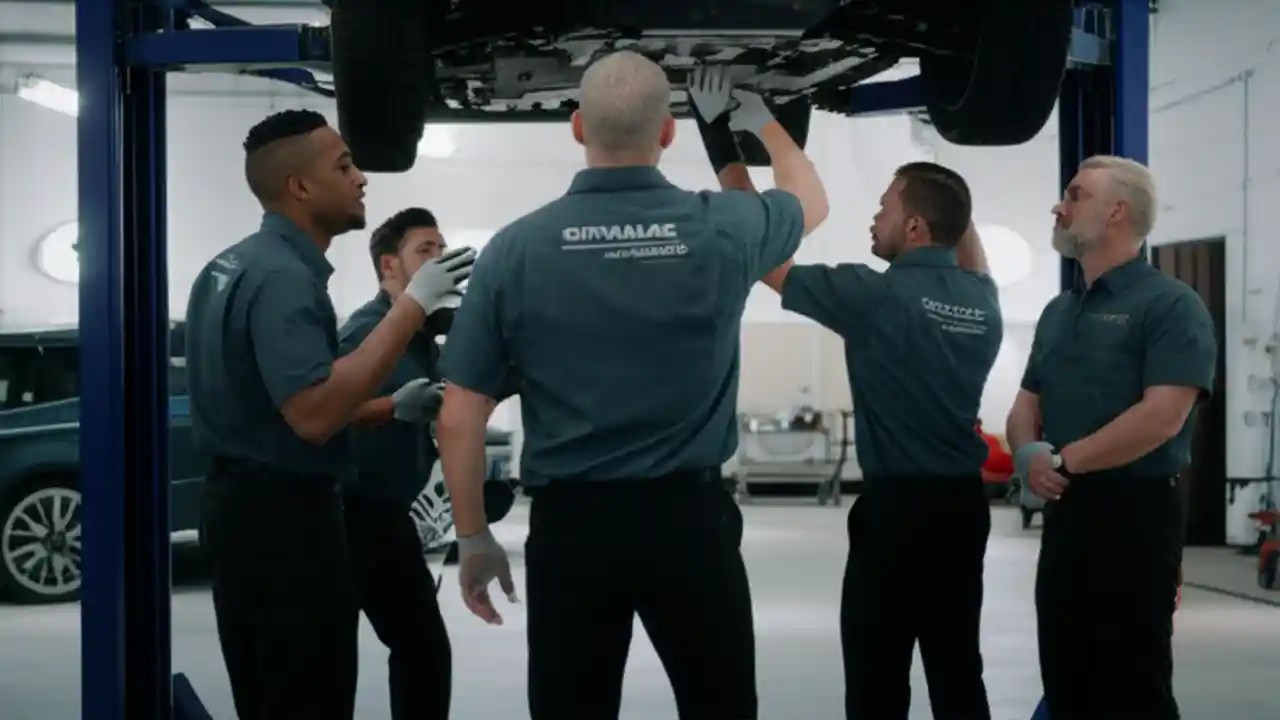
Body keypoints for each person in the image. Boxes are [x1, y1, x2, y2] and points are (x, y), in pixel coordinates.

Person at [434, 50, 828, 720]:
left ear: (578, 127)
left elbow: (459, 414)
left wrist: (472, 538)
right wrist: (751, 122)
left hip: (572, 530)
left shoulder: (516, 248)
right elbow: (808, 201)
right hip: (689, 526)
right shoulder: (719, 226)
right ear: (667, 132)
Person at [700, 73, 997, 715]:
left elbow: (762, 251)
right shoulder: (984, 299)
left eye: (885, 206)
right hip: (963, 512)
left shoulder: (875, 296)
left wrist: (727, 132)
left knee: (876, 672)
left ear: (914, 227)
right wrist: (941, 191)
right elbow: (960, 232)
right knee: (957, 668)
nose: (874, 214)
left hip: (897, 517)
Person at [184, 109, 475, 720]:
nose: (362, 178)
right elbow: (314, 416)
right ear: (300, 186)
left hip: (245, 514)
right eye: (344, 166)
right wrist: (412, 308)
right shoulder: (284, 278)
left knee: (273, 694)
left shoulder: (231, 265)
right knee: (307, 695)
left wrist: (391, 407)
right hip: (284, 522)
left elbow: (275, 410)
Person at [1006, 155, 1216, 719]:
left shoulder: (1171, 306)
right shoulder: (1059, 312)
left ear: (1116, 211)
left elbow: (1162, 416)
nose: (1059, 204)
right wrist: (1028, 453)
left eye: (1075, 194)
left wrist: (1064, 460)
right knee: (1066, 671)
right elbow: (1027, 403)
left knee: (1132, 683)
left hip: (1136, 518)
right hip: (1067, 513)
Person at [335, 207, 458, 720]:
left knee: (424, 650)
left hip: (388, 516)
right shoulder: (366, 332)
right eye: (425, 251)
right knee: (331, 662)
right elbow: (326, 414)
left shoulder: (422, 337)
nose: (440, 261)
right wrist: (390, 409)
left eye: (442, 250)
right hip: (344, 518)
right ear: (390, 266)